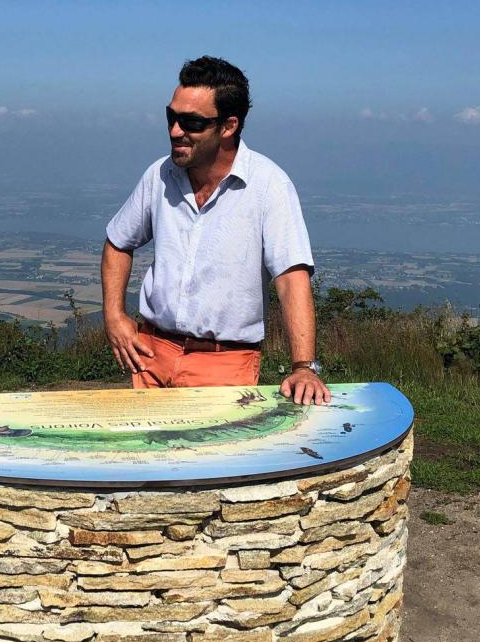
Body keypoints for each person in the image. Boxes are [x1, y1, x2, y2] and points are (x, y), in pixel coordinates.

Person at [102, 56, 329, 405]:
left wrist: (303, 366)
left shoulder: (269, 185)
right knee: (145, 458)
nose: (175, 130)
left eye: (191, 122)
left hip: (225, 363)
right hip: (151, 354)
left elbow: (291, 278)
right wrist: (114, 315)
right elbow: (118, 242)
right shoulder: (159, 176)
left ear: (229, 126)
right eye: (171, 117)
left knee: (208, 457)